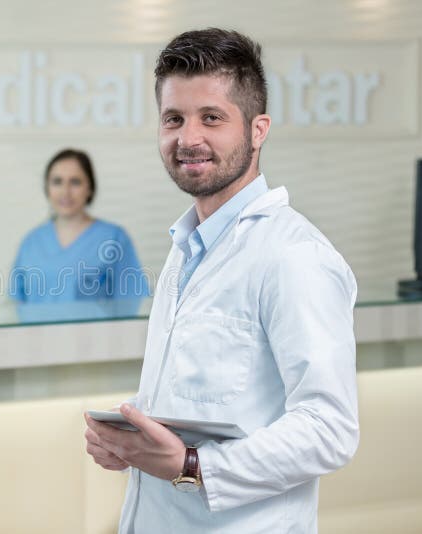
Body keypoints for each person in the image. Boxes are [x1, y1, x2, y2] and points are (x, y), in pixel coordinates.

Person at [84, 28, 359, 533]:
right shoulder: (184, 247)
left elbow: (329, 430)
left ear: (258, 129)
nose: (188, 138)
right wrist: (132, 437)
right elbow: (209, 395)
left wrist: (192, 466)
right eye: (174, 119)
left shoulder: (294, 256)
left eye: (212, 118)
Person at [10, 148, 149, 303]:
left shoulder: (113, 239)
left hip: (98, 328)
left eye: (75, 182)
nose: (65, 192)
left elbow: (132, 303)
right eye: (57, 182)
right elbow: (15, 304)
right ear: (47, 188)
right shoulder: (32, 242)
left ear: (89, 188)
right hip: (35, 329)